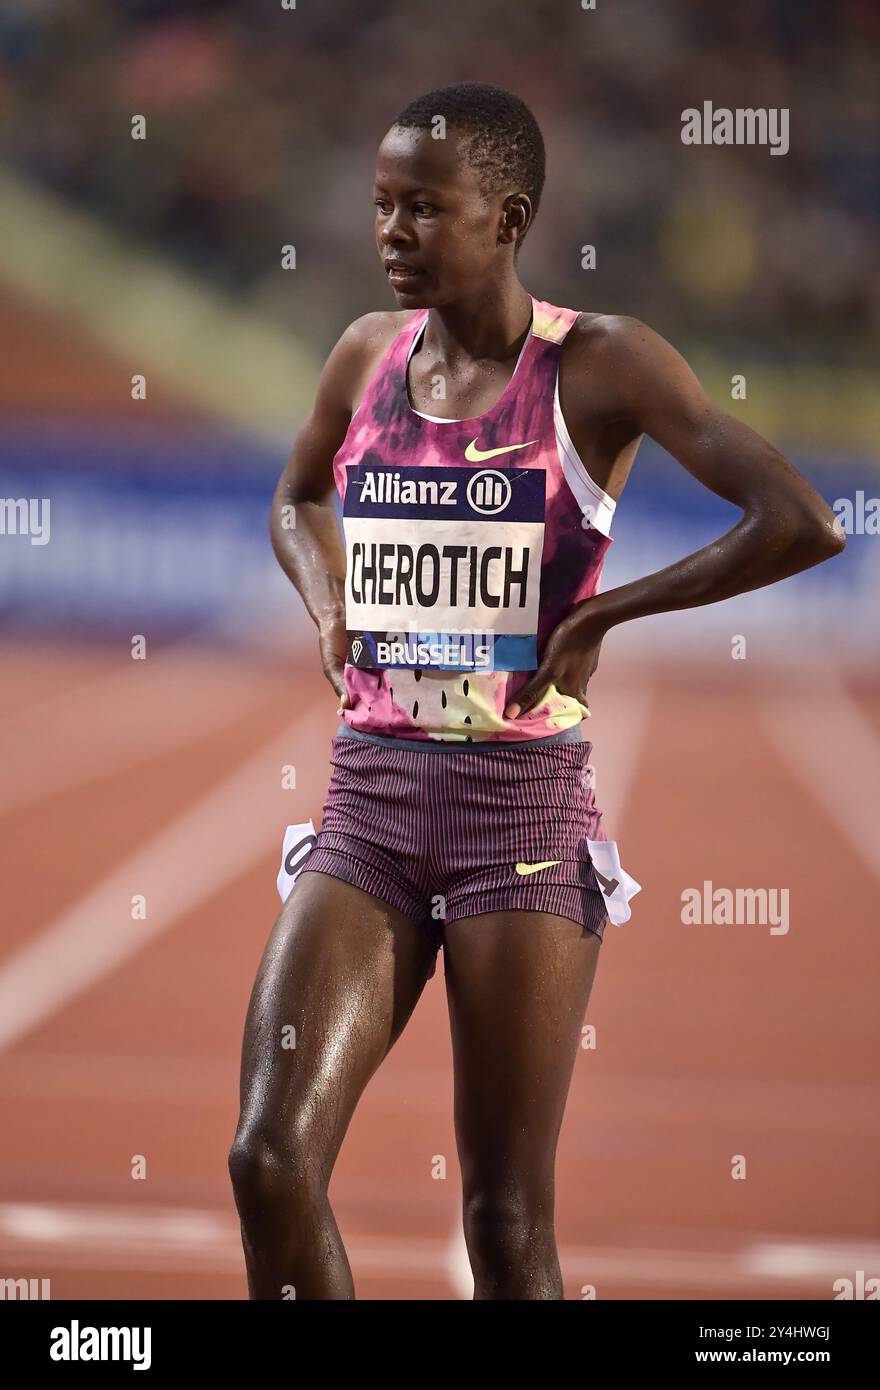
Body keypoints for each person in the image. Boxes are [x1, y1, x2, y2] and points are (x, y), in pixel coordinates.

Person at [228, 82, 845, 1300]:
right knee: (267, 1157)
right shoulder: (365, 352)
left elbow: (800, 521)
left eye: (424, 208)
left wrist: (609, 609)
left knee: (505, 1222)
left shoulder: (597, 363)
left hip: (516, 818)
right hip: (368, 806)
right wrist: (328, 595)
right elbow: (297, 497)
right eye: (380, 206)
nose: (392, 232)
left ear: (506, 217)